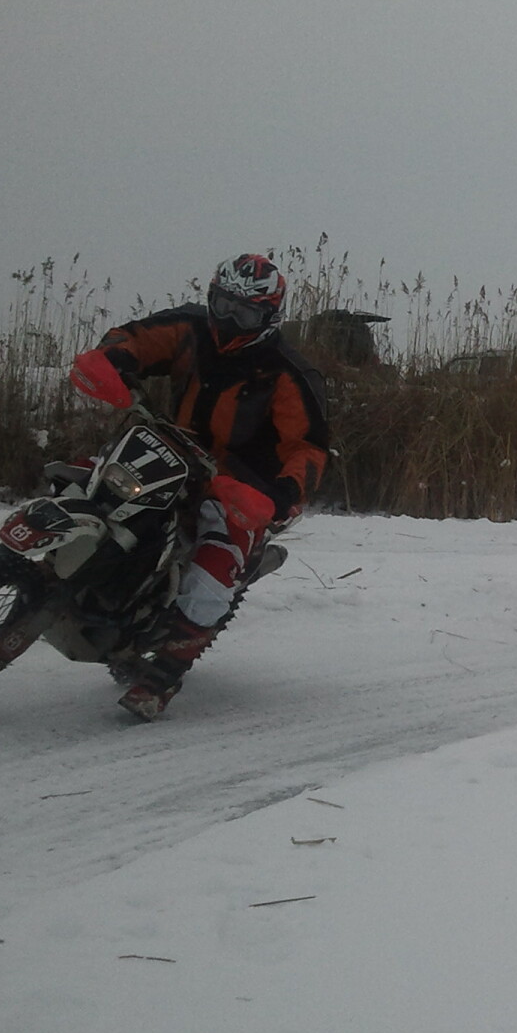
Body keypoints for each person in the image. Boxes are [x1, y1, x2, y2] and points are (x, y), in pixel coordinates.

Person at [67, 253, 330, 718]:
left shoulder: (287, 372)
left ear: (270, 316)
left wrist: (285, 495)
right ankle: (46, 570)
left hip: (236, 486)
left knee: (214, 569)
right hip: (166, 444)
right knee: (81, 477)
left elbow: (308, 446)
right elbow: (135, 338)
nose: (229, 320)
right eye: (223, 304)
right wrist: (114, 359)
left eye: (245, 313)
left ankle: (164, 675)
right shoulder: (190, 327)